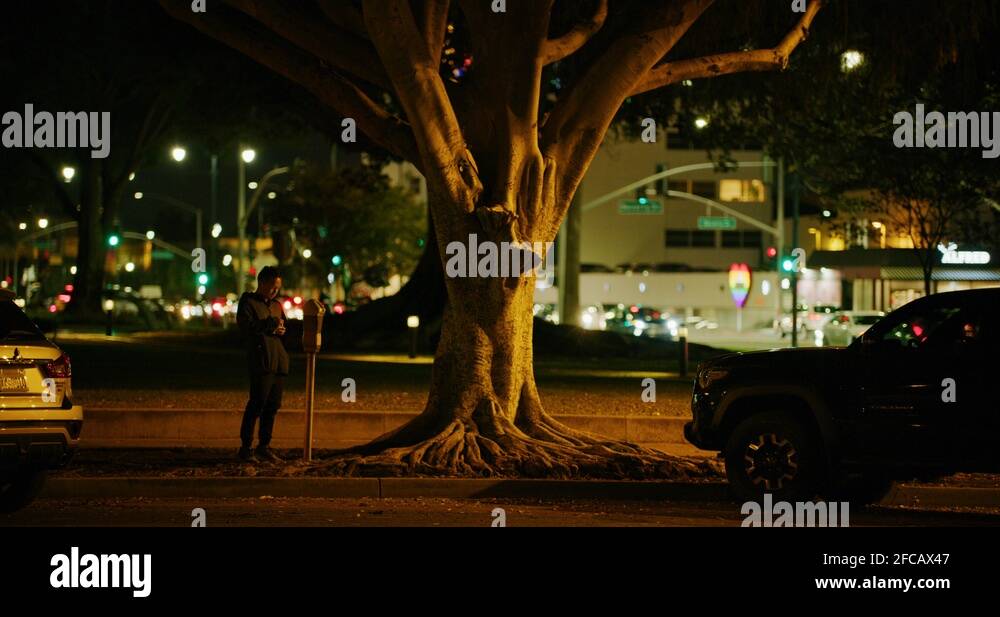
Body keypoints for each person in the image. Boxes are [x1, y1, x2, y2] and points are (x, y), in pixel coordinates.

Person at [236, 266, 288, 462]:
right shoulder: (248, 302)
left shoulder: (276, 305)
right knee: (257, 404)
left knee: (273, 406)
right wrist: (270, 325)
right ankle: (246, 447)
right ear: (262, 283)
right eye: (273, 287)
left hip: (278, 360)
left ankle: (264, 445)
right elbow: (246, 327)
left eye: (278, 288)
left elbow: (282, 325)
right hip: (261, 360)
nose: (275, 291)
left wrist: (282, 329)